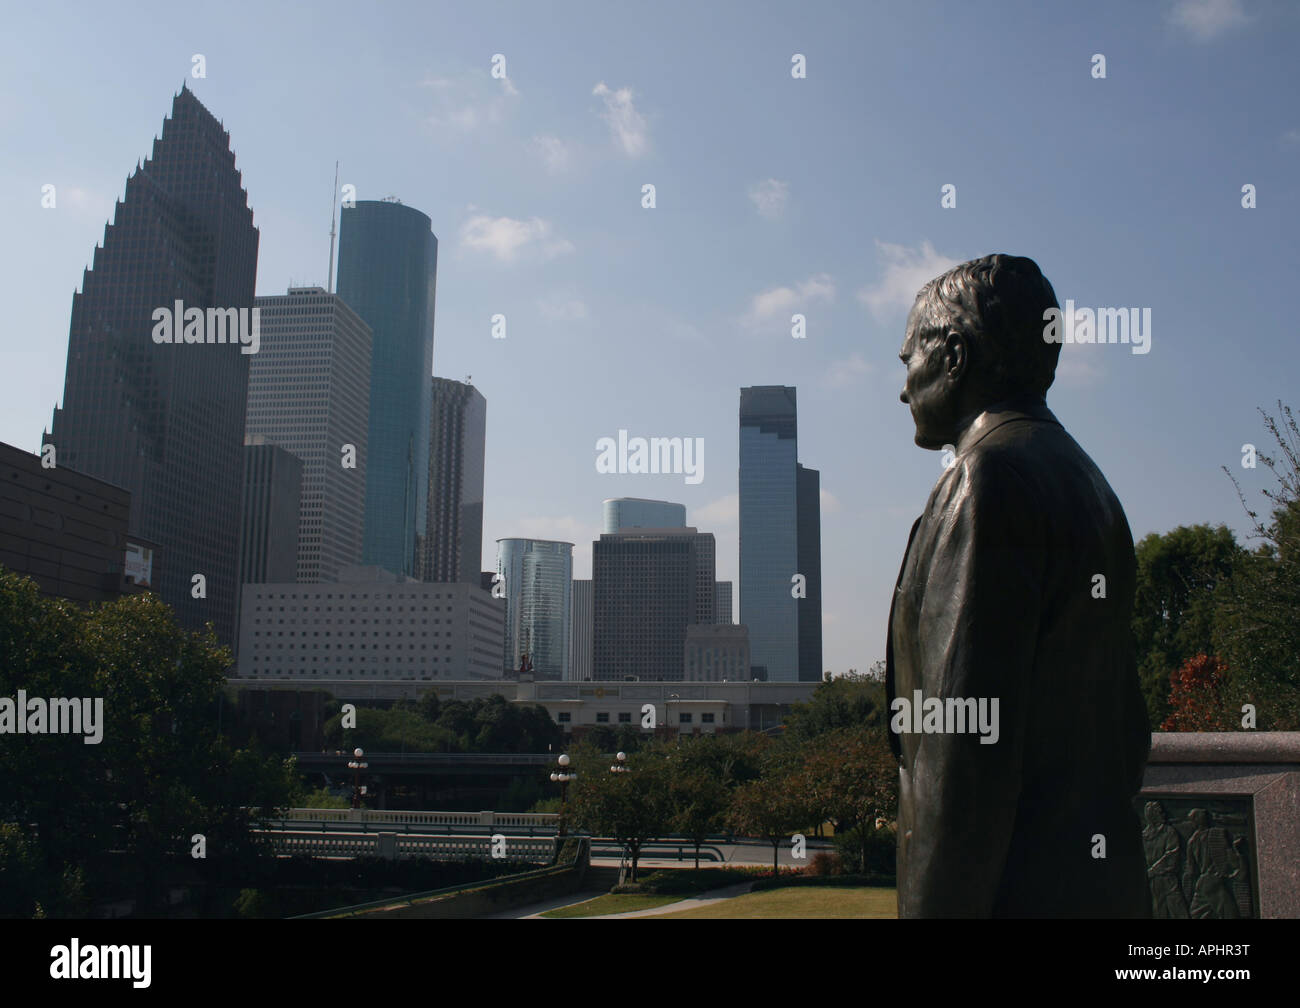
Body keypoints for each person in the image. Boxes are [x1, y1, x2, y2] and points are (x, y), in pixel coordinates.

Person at [886, 254, 1151, 917]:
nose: (902, 388)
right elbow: (1128, 726)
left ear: (952, 355)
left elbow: (962, 761)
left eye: (907, 360)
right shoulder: (1088, 483)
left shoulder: (988, 482)